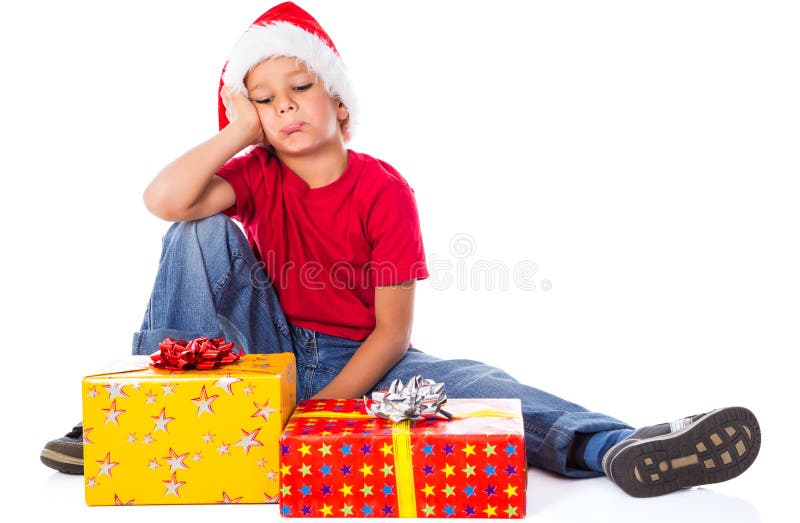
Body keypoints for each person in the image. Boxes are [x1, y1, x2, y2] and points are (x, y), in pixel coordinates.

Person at [41, 2, 760, 499]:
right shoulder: (253, 172)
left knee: (478, 380)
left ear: (340, 103)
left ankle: (615, 446)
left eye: (299, 86)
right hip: (262, 348)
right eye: (264, 98)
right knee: (195, 230)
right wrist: (236, 133)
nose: (285, 104)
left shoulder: (384, 189)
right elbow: (165, 201)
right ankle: (134, 413)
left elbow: (393, 332)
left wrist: (324, 409)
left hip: (362, 355)